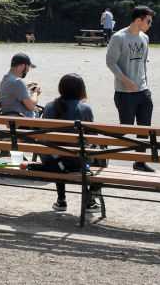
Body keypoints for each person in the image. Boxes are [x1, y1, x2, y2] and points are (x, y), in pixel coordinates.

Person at [22, 73, 101, 214]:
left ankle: (61, 200)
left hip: (51, 161)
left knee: (57, 150)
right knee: (101, 157)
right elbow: (92, 138)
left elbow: (43, 133)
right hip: (76, 162)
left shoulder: (50, 106)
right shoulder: (85, 109)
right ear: (81, 90)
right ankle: (90, 200)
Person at [105, 5, 155, 173]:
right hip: (124, 92)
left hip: (143, 91)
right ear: (138, 20)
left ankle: (139, 161)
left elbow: (143, 64)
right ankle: (102, 145)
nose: (150, 24)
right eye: (148, 21)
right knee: (125, 128)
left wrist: (146, 86)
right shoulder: (118, 37)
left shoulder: (145, 38)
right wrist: (124, 80)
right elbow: (110, 61)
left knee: (144, 128)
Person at [0, 53, 41, 117]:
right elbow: (31, 106)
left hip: (14, 120)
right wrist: (35, 93)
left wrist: (26, 88)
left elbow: (14, 95)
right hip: (25, 123)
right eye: (28, 67)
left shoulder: (5, 80)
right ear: (22, 66)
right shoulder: (18, 82)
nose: (28, 70)